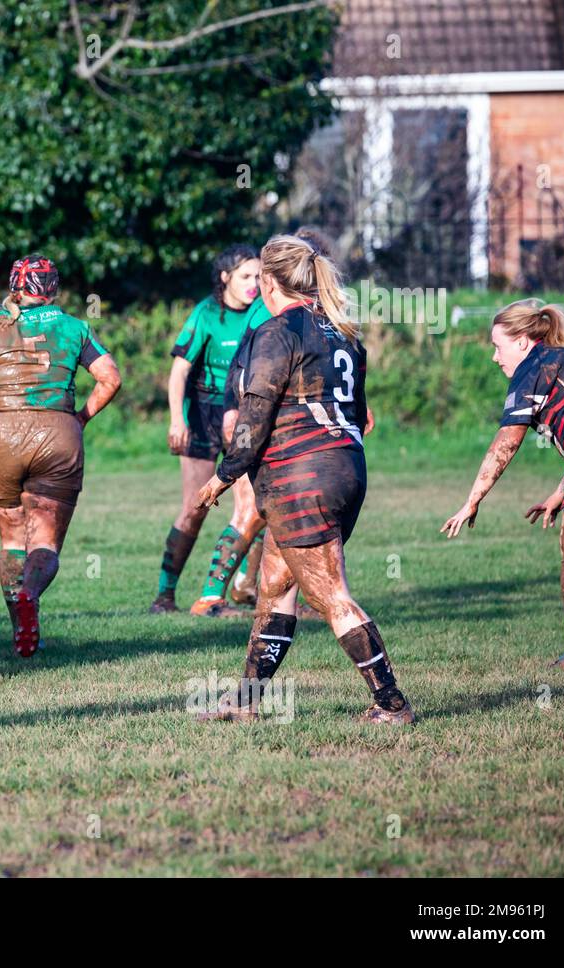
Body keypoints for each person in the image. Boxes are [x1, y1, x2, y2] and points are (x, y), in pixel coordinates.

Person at [194, 235, 413, 724]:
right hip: (345, 467)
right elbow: (358, 413)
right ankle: (246, 702)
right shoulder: (342, 332)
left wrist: (224, 475)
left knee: (331, 594)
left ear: (270, 281)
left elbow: (255, 414)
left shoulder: (277, 331)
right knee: (274, 585)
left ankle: (391, 703)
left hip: (300, 477)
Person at [0, 254, 122, 656]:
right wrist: (80, 418)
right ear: (54, 289)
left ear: (13, 286)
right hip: (57, 433)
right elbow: (110, 378)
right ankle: (31, 594)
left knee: (11, 536)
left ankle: (18, 628)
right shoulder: (75, 326)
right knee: (44, 538)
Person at [442, 300, 564, 670]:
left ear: (524, 342)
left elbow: (505, 444)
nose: (495, 357)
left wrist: (472, 499)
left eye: (498, 346)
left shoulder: (534, 366)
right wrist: (560, 493)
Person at [152, 245, 273, 616]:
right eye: (245, 276)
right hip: (204, 414)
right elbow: (179, 371)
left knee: (256, 506)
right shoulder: (206, 313)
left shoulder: (263, 310)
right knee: (195, 508)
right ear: (225, 278)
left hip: (244, 415)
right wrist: (177, 419)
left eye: (258, 276)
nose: (254, 284)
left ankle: (242, 589)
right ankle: (164, 596)